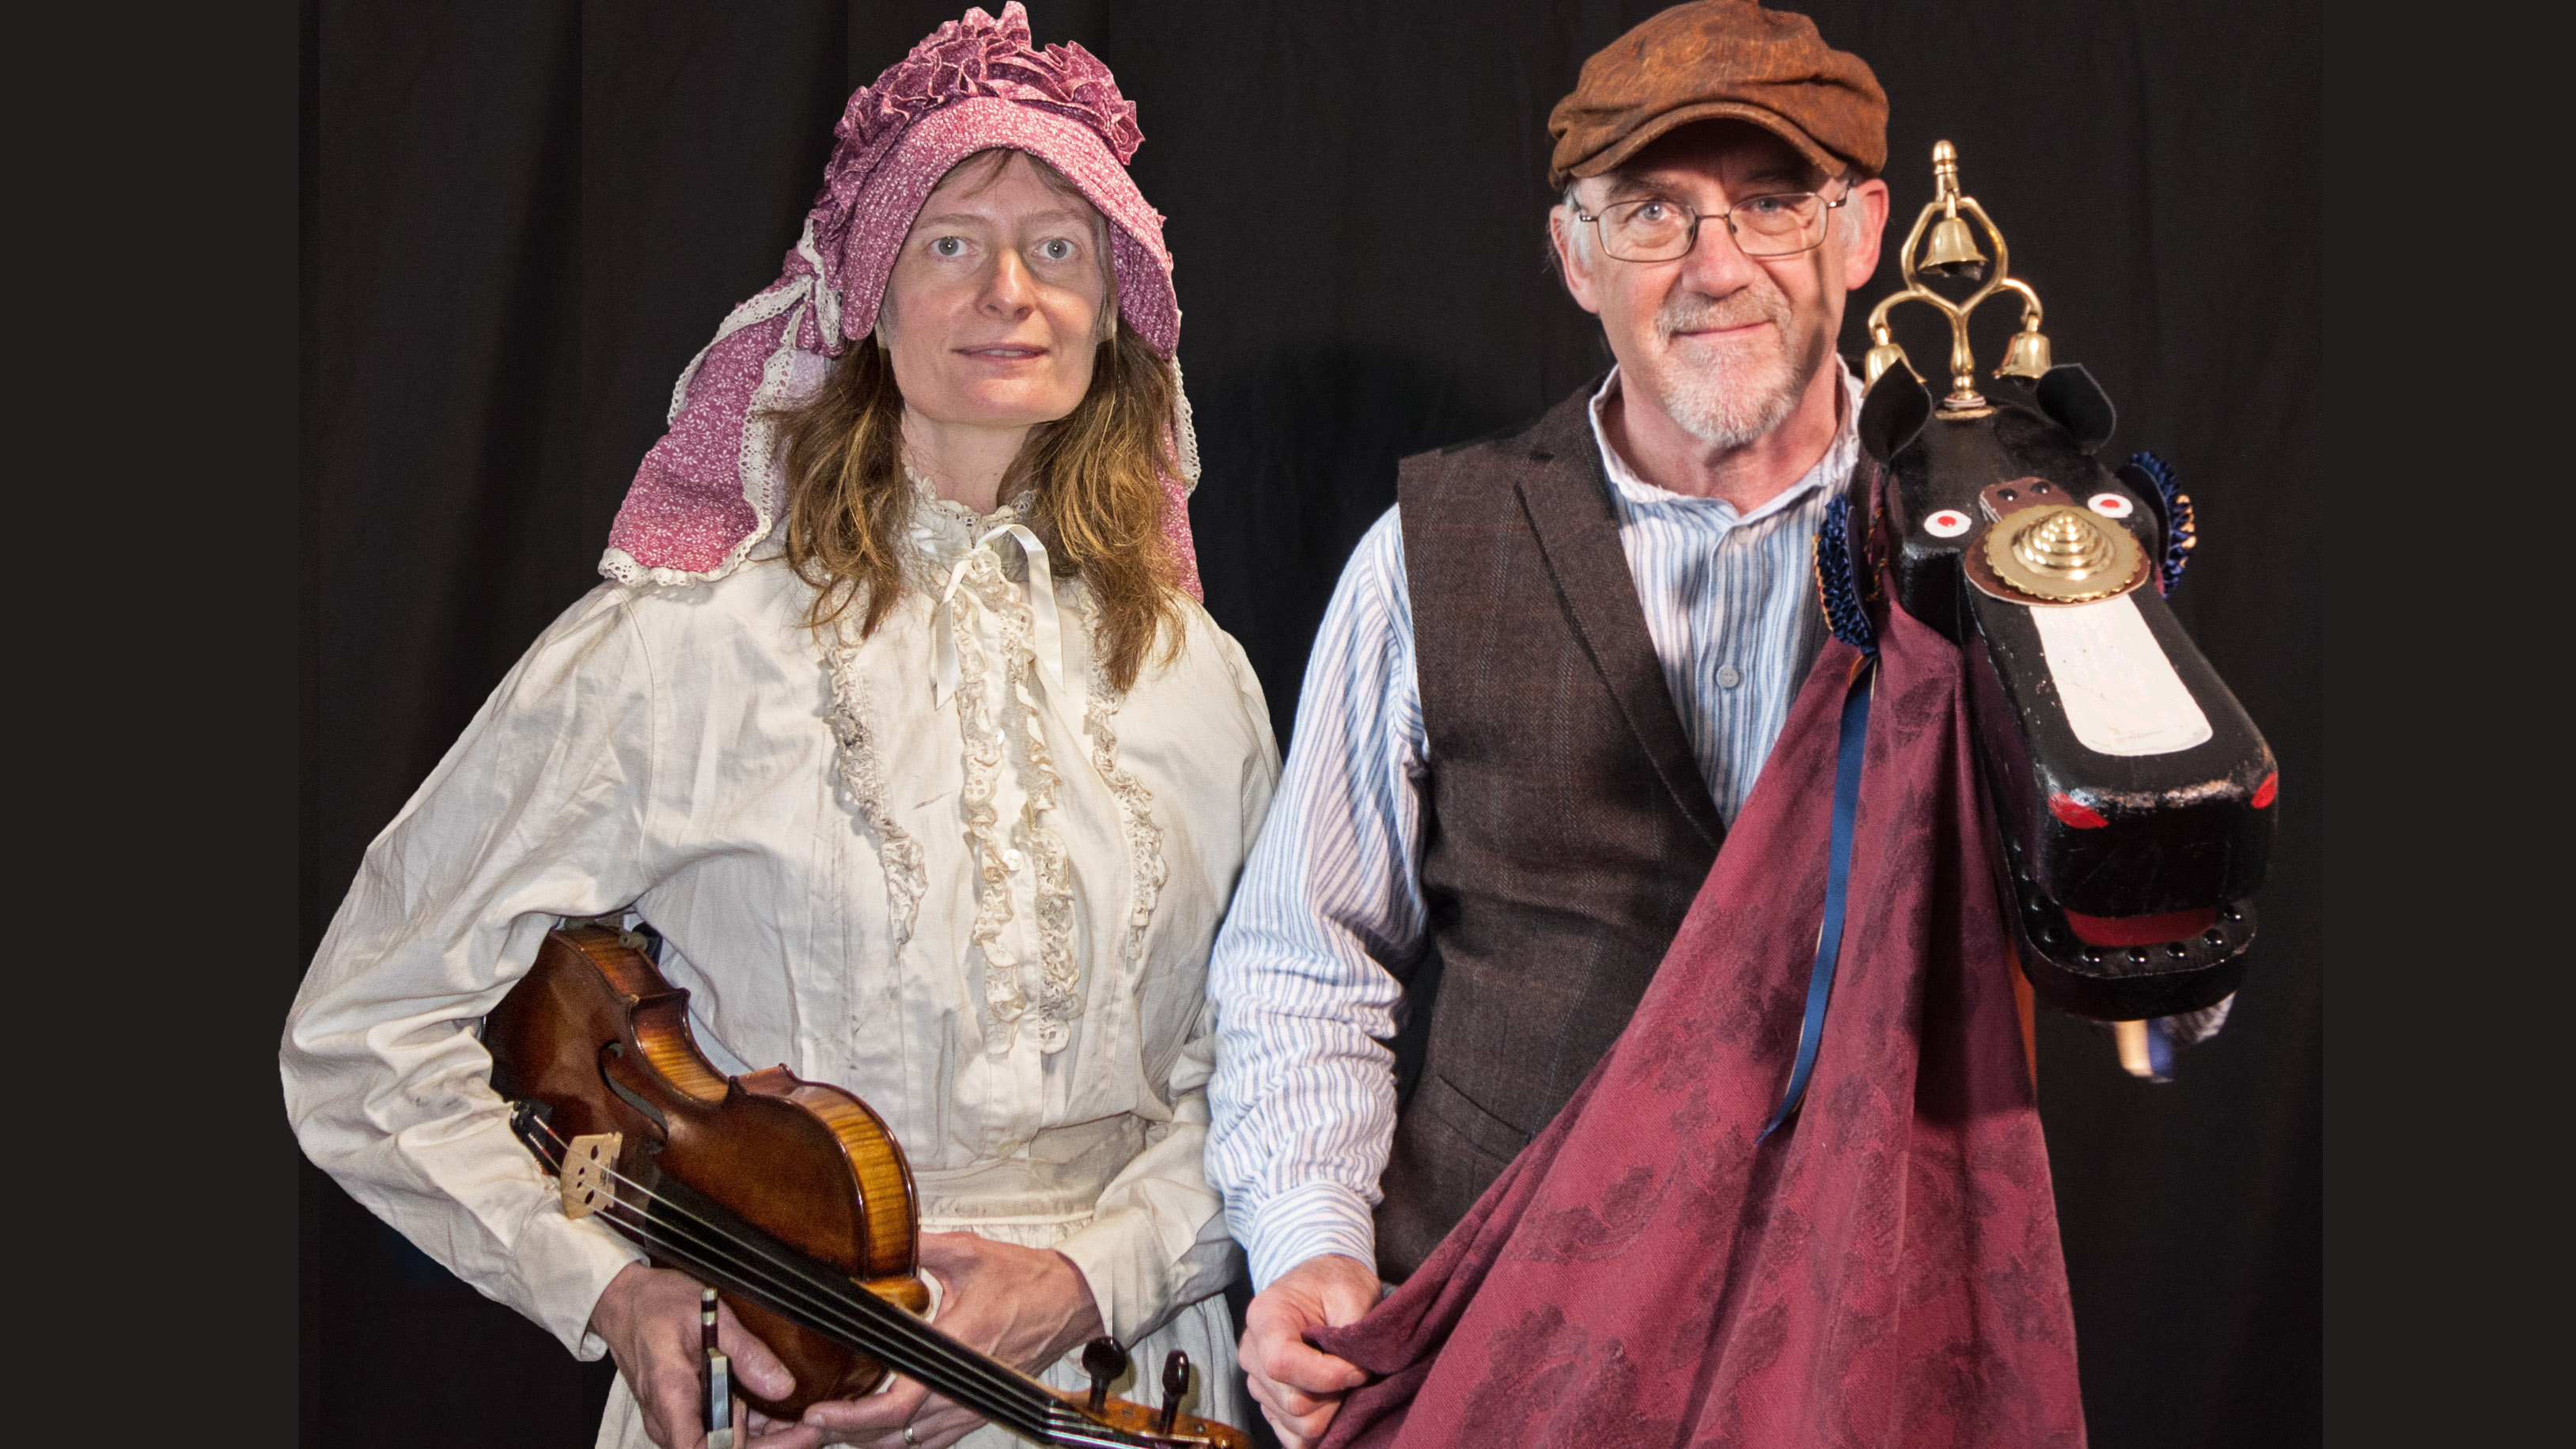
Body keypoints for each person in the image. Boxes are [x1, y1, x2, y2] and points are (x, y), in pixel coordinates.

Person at [1204, 4, 2209, 1443]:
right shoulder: (1430, 552)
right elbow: (1309, 964)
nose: (1715, 264)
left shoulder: (2006, 544)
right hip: (1515, 1330)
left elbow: (2166, 971)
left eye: (1771, 202)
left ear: (1863, 232)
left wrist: (2146, 821)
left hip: (1866, 1326)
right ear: (1576, 254)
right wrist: (1309, 1240)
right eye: (1655, 214)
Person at [283, 7, 1273, 1447]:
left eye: (1060, 245)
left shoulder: (1198, 679)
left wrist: (1083, 1277)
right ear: (864, 292)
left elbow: (1268, 1069)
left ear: (1117, 307)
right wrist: (607, 1289)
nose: (1012, 289)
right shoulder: (686, 647)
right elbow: (364, 1027)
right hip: (786, 1394)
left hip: (1119, 1384)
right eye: (951, 240)